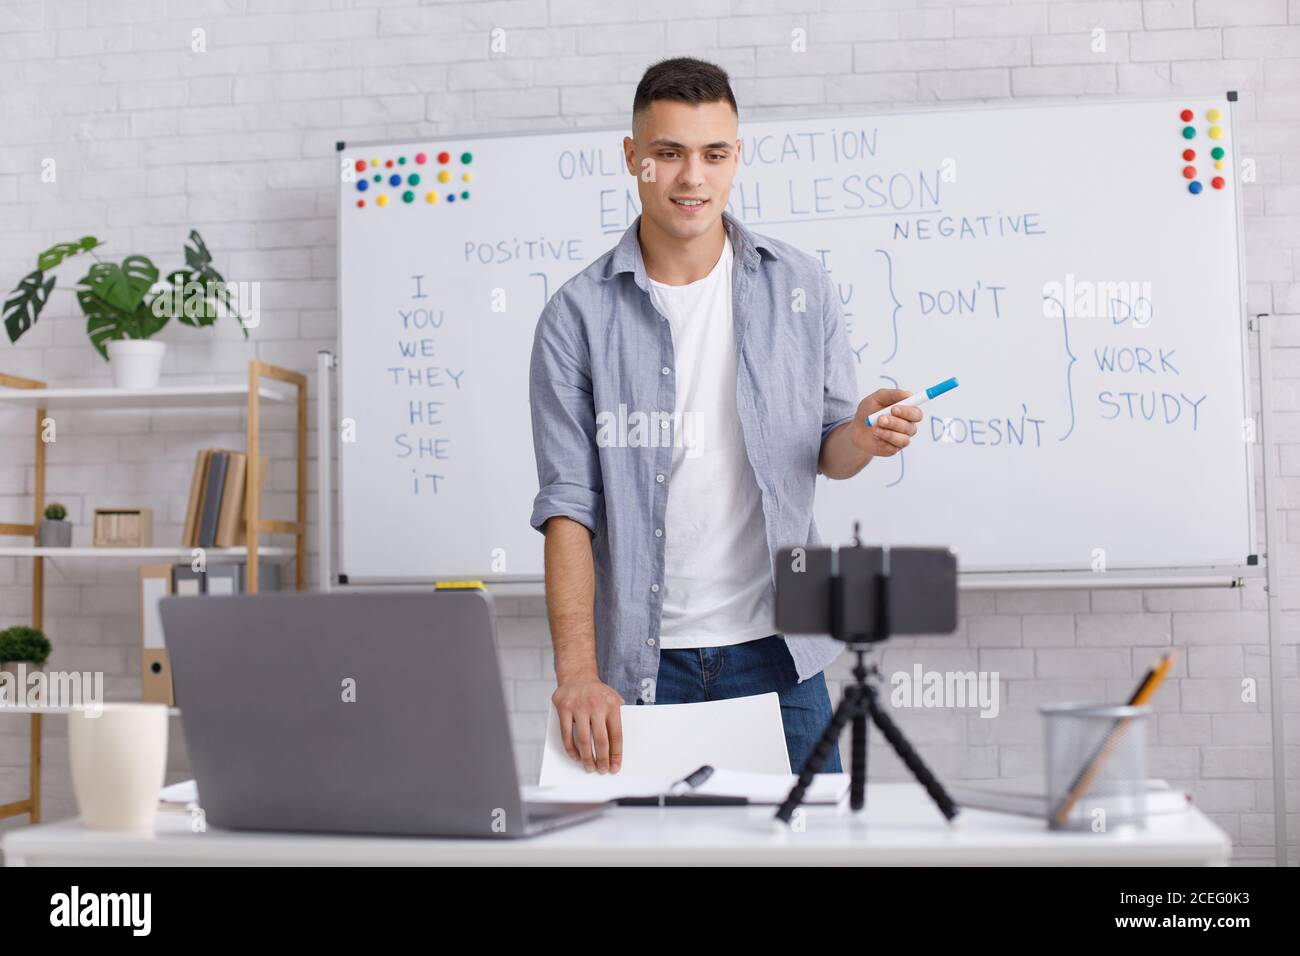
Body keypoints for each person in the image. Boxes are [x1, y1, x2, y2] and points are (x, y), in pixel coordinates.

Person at [528, 56, 922, 776]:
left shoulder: (800, 286)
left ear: (737, 158)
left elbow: (830, 453)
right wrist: (577, 672)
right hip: (639, 670)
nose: (692, 177)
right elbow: (568, 509)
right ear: (633, 159)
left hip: (781, 652)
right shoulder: (575, 317)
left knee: (813, 850)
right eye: (668, 153)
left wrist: (863, 433)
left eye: (713, 154)